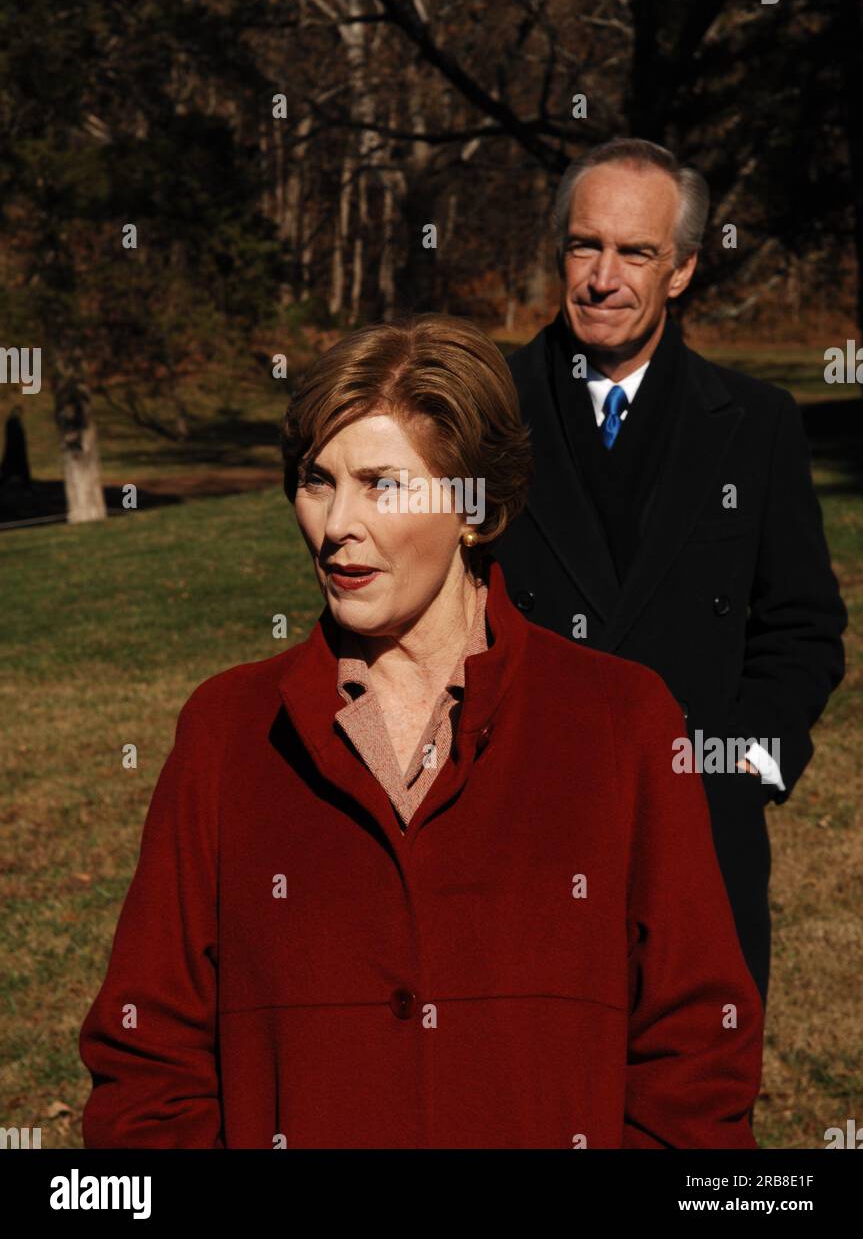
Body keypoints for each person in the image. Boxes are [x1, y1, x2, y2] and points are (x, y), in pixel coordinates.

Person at [79, 314, 763, 1149]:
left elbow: (697, 1048)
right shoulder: (227, 730)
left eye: (380, 483)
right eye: (316, 480)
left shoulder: (621, 720)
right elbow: (147, 1054)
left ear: (475, 508)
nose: (334, 526)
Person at [492, 138, 847, 1007]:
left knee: (692, 1107)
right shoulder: (484, 408)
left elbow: (801, 630)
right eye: (584, 246)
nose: (601, 277)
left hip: (697, 846)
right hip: (510, 834)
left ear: (681, 270)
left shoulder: (754, 424)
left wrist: (737, 775)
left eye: (634, 253)